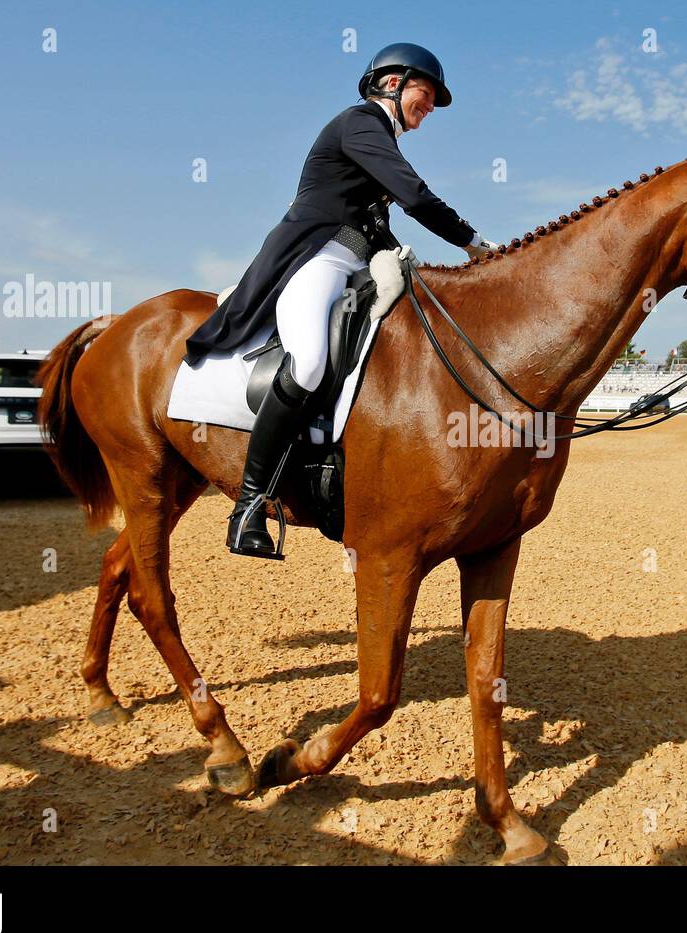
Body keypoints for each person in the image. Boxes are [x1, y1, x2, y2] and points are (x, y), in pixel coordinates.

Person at [185, 42, 500, 559]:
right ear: (393, 83)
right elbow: (415, 195)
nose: (429, 108)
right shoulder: (359, 124)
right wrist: (473, 243)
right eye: (427, 93)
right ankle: (249, 503)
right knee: (308, 362)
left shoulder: (379, 140)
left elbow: (380, 221)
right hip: (317, 260)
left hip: (355, 263)